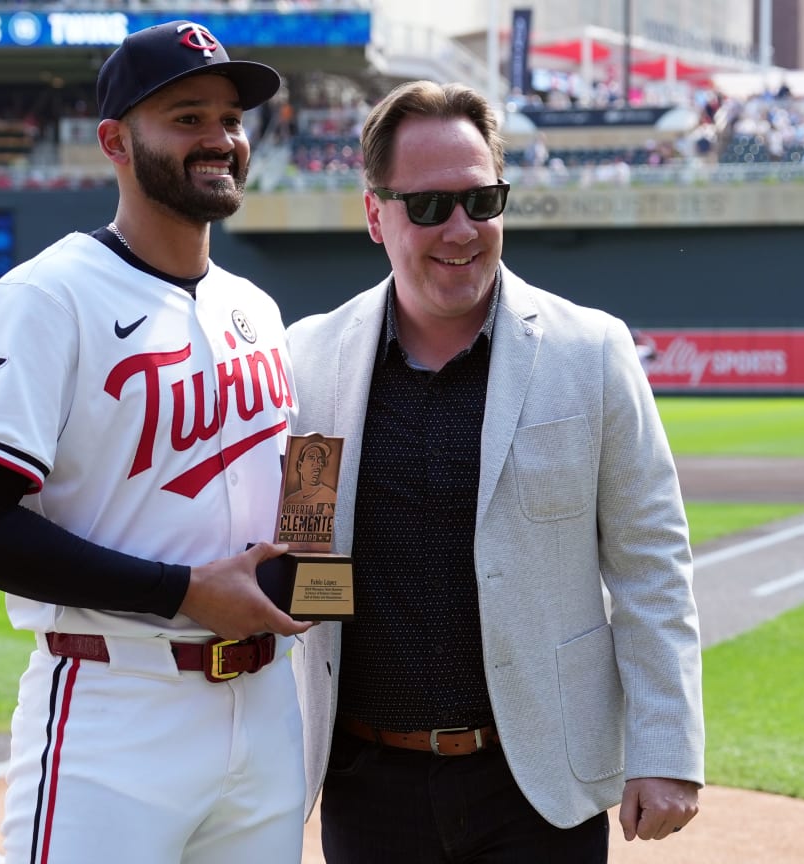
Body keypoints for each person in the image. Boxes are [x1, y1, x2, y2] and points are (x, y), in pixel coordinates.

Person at [0, 20, 312, 864]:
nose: (219, 139)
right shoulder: (42, 299)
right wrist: (181, 592)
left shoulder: (256, 309)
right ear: (116, 141)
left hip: (268, 709)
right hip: (115, 706)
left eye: (231, 119)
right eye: (187, 117)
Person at [287, 80, 704, 863]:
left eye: (482, 200)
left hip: (538, 787)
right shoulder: (309, 358)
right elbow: (311, 552)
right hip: (368, 785)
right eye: (429, 206)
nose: (460, 228)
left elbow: (652, 564)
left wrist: (667, 748)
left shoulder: (591, 351)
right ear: (375, 215)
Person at [284, 439, 338, 508]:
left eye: (320, 460)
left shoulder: (330, 496)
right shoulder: (290, 501)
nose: (317, 464)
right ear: (300, 466)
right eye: (311, 458)